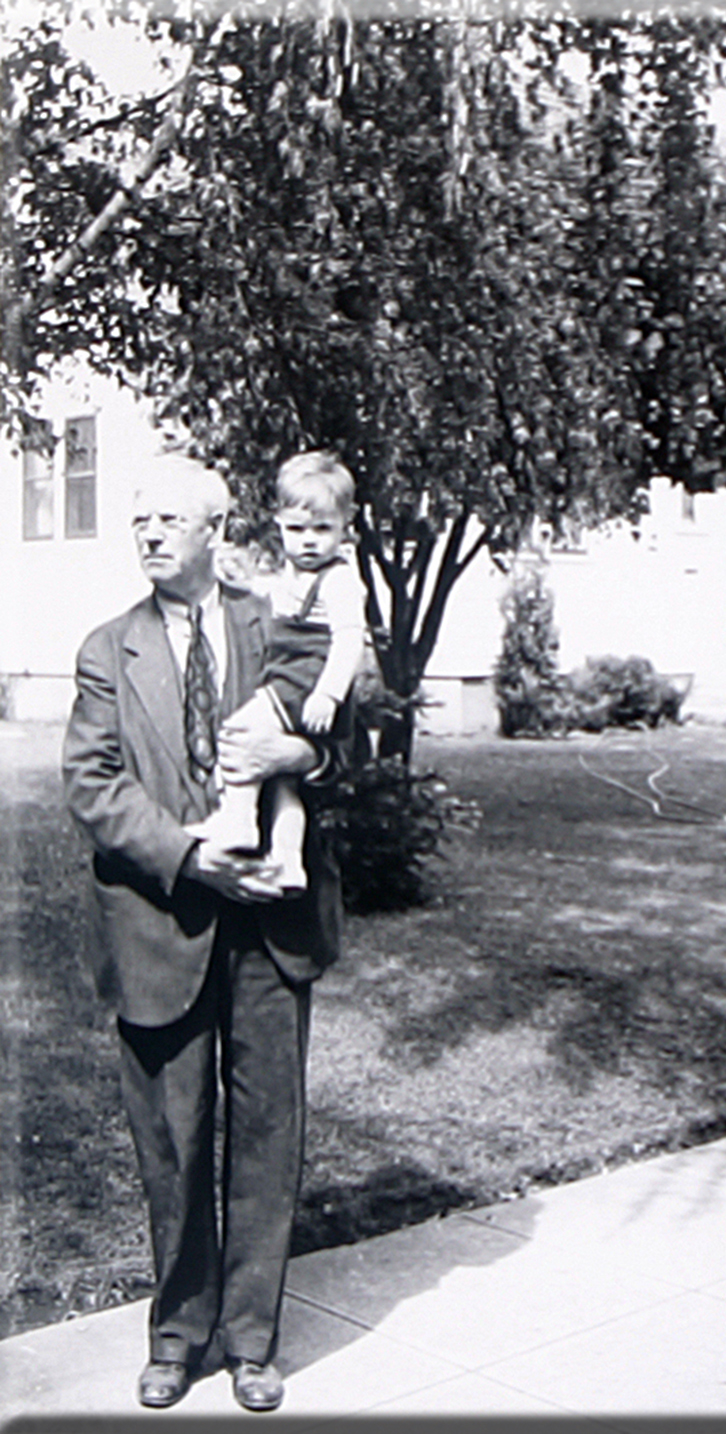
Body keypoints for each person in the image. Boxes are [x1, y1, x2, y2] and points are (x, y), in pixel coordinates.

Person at [62, 450, 349, 1413]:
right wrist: (189, 858)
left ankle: (254, 1341)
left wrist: (297, 747)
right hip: (160, 924)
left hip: (272, 922)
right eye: (138, 521)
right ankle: (179, 1336)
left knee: (268, 1132)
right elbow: (94, 787)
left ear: (216, 533)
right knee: (172, 1141)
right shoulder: (109, 649)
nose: (147, 534)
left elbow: (347, 733)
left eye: (167, 521)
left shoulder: (278, 617)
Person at [188, 452, 365, 890]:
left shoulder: (339, 579)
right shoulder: (296, 574)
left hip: (305, 683)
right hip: (297, 683)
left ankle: (240, 821)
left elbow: (348, 640)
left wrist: (328, 694)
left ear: (346, 526)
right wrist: (240, 578)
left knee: (240, 731)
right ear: (279, 524)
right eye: (296, 529)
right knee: (285, 782)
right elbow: (271, 597)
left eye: (322, 529)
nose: (308, 541)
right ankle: (288, 860)